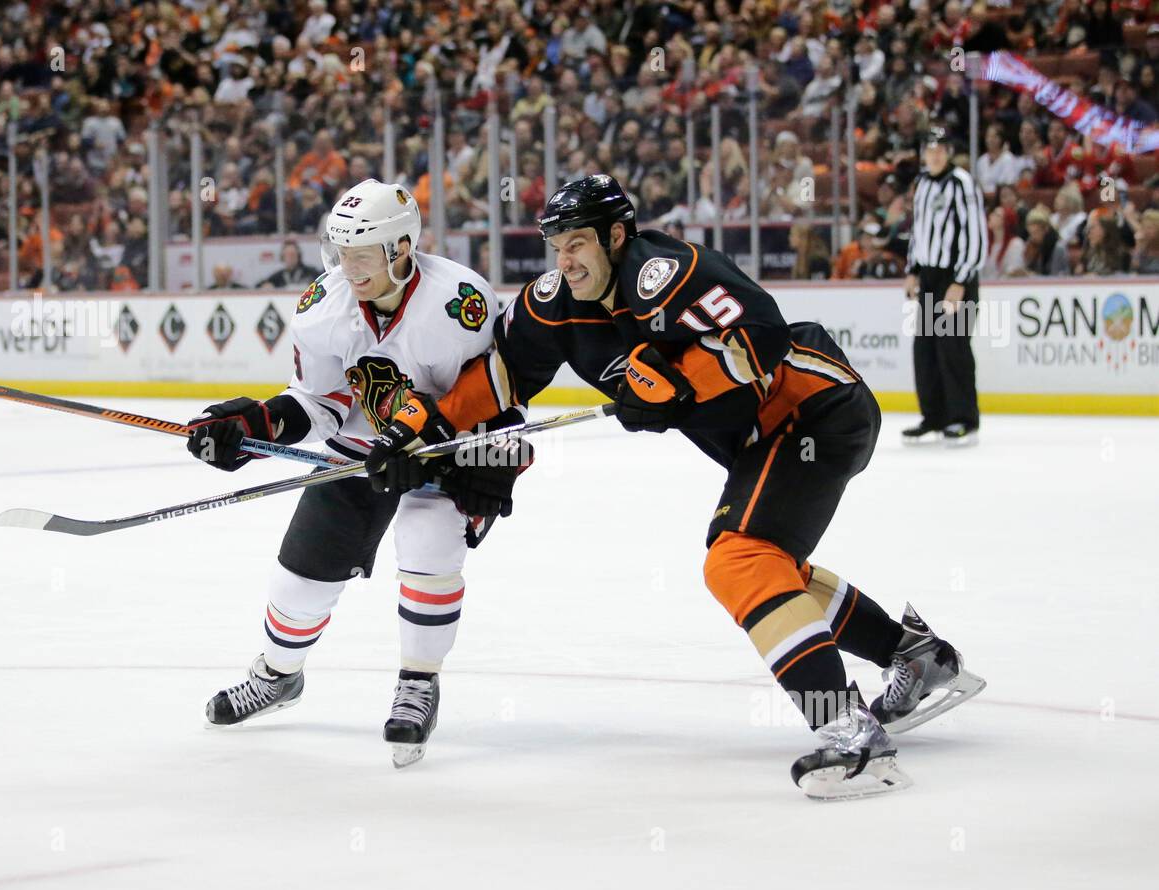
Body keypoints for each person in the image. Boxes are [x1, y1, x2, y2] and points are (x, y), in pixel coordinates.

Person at [365, 175, 985, 800]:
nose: (565, 260)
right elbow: (500, 377)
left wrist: (682, 380)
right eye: (556, 245)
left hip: (813, 408)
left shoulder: (664, 271)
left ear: (615, 235)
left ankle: (850, 735)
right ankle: (914, 656)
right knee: (771, 568)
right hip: (763, 437)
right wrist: (422, 428)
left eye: (577, 242)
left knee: (739, 559)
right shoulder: (554, 303)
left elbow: (761, 336)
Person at [185, 179, 516, 768]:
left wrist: (496, 465)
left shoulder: (461, 300)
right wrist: (255, 428)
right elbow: (320, 403)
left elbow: (501, 394)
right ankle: (277, 676)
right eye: (339, 250)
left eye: (361, 253)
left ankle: (418, 684)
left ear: (401, 250)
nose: (346, 265)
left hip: (444, 451)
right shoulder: (324, 304)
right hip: (365, 449)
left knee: (427, 551)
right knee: (299, 578)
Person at [903, 126, 987, 447]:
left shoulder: (962, 183)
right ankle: (933, 416)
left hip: (955, 276)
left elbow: (976, 234)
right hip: (929, 276)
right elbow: (918, 231)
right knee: (925, 348)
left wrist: (960, 280)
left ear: (949, 152)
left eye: (941, 148)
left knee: (953, 346)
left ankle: (963, 419)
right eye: (930, 148)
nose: (935, 154)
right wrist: (912, 270)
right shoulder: (922, 183)